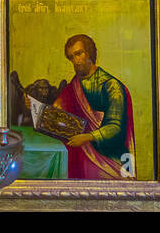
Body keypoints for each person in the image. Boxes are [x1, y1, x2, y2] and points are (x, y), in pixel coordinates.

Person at [52, 34, 136, 180]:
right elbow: (57, 110)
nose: (75, 61)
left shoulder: (111, 86)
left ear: (90, 52)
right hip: (82, 154)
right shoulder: (75, 85)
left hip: (109, 158)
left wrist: (87, 137)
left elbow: (116, 126)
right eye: (71, 57)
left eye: (78, 54)